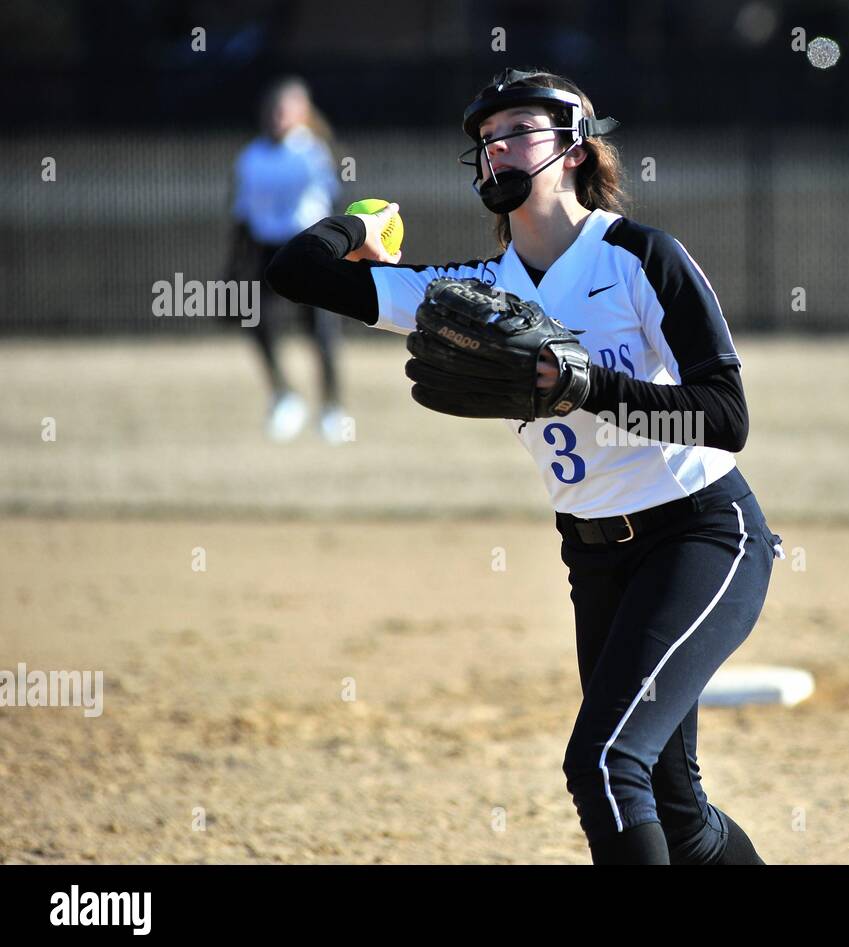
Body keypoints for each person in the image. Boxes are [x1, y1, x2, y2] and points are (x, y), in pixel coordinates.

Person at [266, 67, 784, 865]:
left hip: (702, 535)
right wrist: (357, 224)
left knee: (605, 763)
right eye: (483, 141)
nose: (494, 151)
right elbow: (293, 274)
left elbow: (727, 417)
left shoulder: (641, 258)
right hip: (595, 555)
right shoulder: (473, 292)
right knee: (677, 810)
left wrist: (588, 385)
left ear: (575, 147)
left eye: (515, 133)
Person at [228, 76, 348, 443]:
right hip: (269, 250)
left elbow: (337, 203)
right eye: (275, 109)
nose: (280, 115)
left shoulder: (316, 153)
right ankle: (284, 397)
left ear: (303, 113)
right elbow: (243, 215)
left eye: (288, 108)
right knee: (256, 320)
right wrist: (234, 268)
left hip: (311, 248)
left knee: (322, 332)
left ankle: (332, 410)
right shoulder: (251, 157)